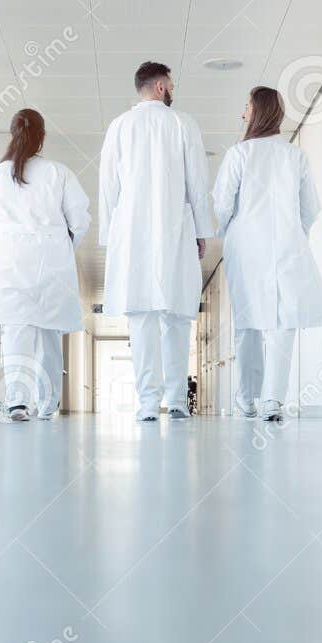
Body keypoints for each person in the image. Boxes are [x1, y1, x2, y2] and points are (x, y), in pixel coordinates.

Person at [98, 61, 214, 422]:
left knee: (141, 319)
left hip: (131, 234)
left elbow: (108, 186)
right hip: (174, 231)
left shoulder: (119, 126)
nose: (173, 91)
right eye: (172, 85)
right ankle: (177, 401)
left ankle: (148, 404)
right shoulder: (183, 123)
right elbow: (197, 182)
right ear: (161, 87)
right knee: (177, 317)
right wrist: (201, 230)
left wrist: (110, 237)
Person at [212, 86, 322, 422]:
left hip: (245, 247)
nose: (243, 114)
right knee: (284, 320)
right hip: (286, 245)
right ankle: (272, 401)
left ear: (258, 111)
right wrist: (296, 234)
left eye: (247, 107)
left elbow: (222, 203)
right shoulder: (295, 155)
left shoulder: (239, 154)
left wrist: (228, 229)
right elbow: (310, 208)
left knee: (247, 321)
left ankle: (247, 398)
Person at [0, 109, 91, 422]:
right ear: (42, 136)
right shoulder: (59, 173)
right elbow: (80, 219)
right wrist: (65, 248)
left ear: (12, 135)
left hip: (7, 261)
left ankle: (17, 402)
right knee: (49, 333)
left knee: (15, 331)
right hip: (50, 261)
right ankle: (48, 404)